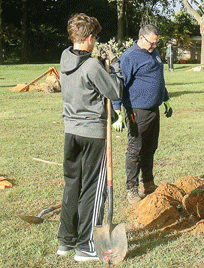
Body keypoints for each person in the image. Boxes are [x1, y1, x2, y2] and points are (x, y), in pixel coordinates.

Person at [57, 13, 123, 262]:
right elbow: (115, 90)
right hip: (93, 134)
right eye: (94, 38)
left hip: (71, 132)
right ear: (88, 38)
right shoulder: (92, 66)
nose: (96, 42)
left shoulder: (64, 58)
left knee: (72, 185)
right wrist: (114, 65)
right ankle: (86, 246)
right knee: (93, 190)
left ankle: (66, 240)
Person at [112, 24, 172, 205]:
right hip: (136, 110)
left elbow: (158, 79)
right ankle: (131, 189)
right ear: (141, 38)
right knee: (135, 150)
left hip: (153, 108)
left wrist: (166, 98)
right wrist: (117, 111)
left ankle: (148, 183)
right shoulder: (129, 57)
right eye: (152, 43)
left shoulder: (154, 53)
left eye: (156, 43)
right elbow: (118, 84)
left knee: (150, 147)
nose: (154, 47)